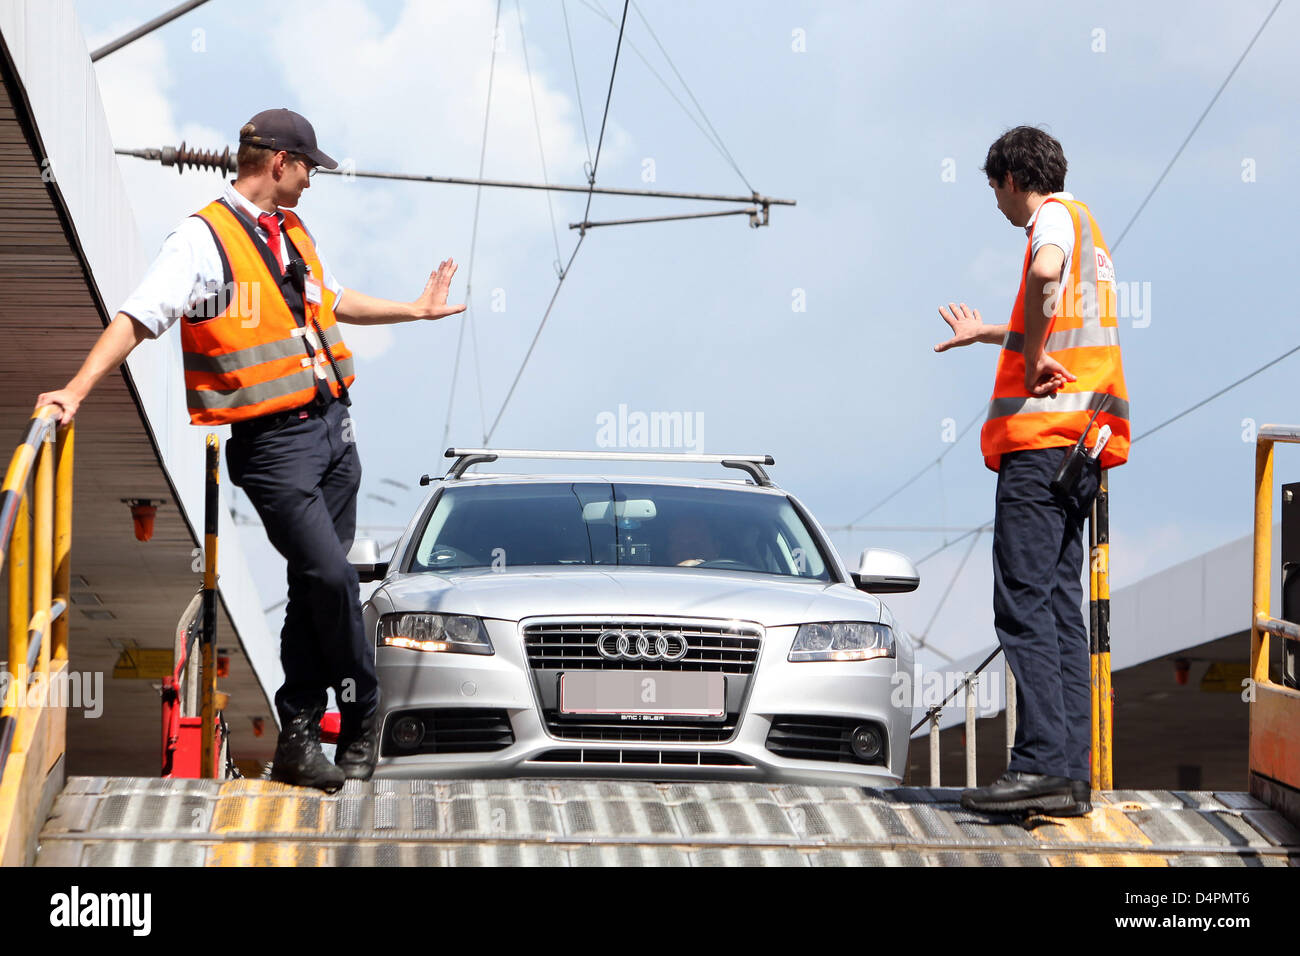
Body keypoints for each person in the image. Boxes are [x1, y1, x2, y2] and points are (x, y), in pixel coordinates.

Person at [36, 108, 466, 792]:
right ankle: (362, 705)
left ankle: (297, 734)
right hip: (274, 446)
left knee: (309, 585)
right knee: (328, 575)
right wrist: (77, 388)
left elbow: (330, 300)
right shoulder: (202, 239)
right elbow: (139, 315)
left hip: (335, 431)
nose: (312, 179)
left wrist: (413, 311)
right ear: (279, 163)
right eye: (308, 167)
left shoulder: (292, 231)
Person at [933, 126, 1129, 815]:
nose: (996, 204)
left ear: (1013, 178)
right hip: (1081, 446)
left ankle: (1040, 761)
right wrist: (993, 334)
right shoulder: (1090, 228)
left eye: (994, 189)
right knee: (1056, 606)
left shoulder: (1049, 219)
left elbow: (1044, 277)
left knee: (1020, 603)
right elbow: (1056, 321)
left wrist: (1035, 356)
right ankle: (1070, 775)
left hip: (1041, 444)